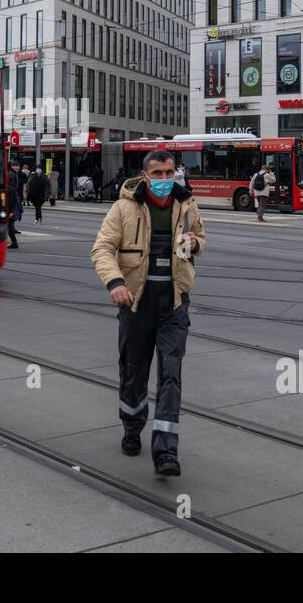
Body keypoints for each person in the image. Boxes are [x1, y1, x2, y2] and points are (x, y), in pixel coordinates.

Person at [91, 149, 206, 477]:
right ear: (145, 176)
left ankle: (166, 451)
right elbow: (102, 249)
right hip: (135, 303)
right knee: (134, 370)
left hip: (174, 303)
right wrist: (114, 283)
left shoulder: (186, 205)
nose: (165, 181)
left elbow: (202, 239)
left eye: (170, 173)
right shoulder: (123, 208)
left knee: (171, 374)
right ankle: (132, 425)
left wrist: (194, 243)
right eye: (158, 175)